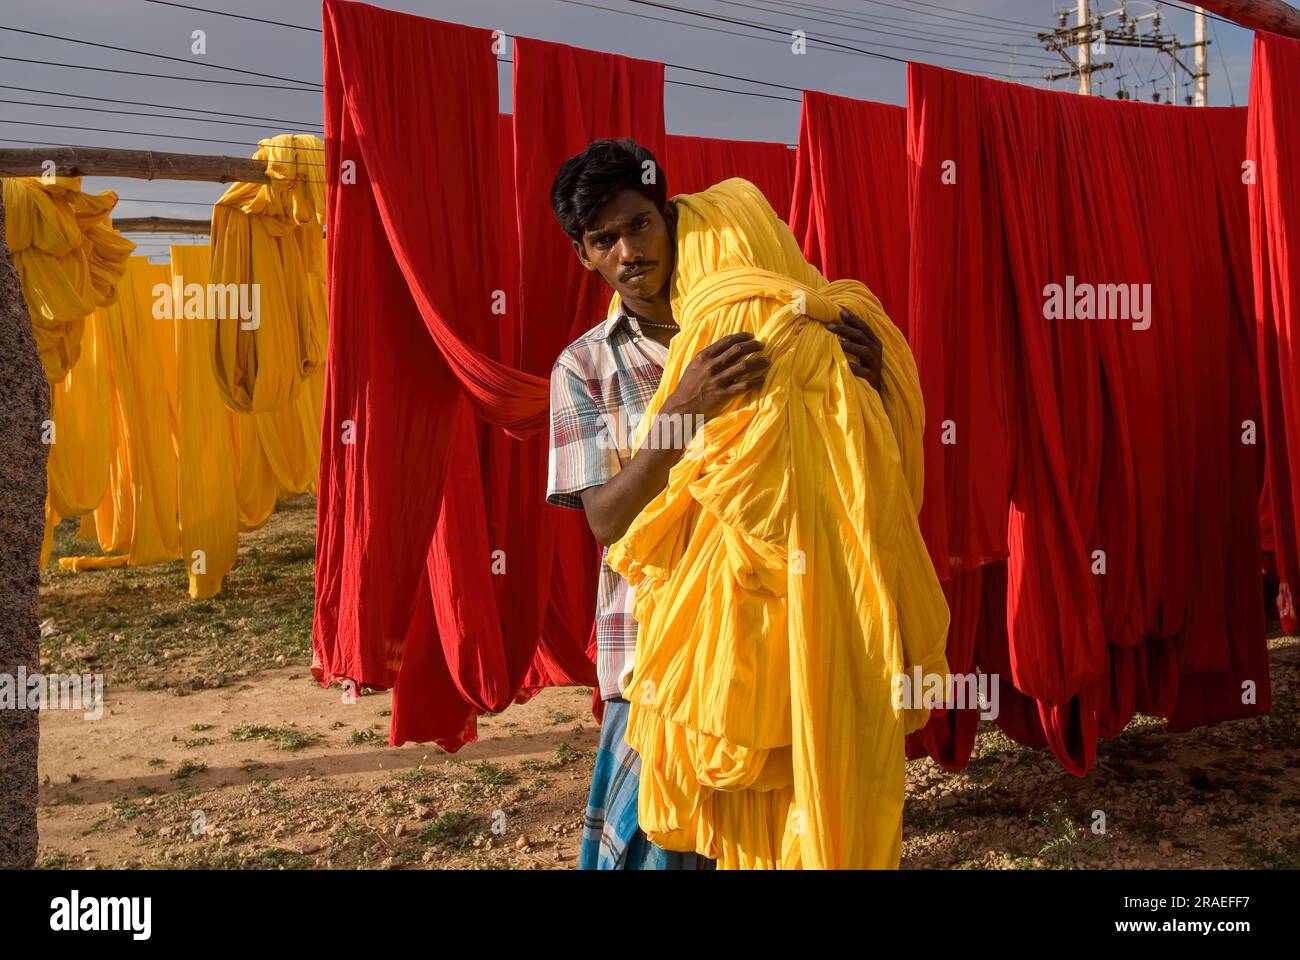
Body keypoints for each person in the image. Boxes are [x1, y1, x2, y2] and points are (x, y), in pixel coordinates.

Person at [545, 138, 883, 869]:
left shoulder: (768, 326)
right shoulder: (585, 366)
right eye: (604, 239)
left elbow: (843, 463)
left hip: (788, 634)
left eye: (639, 225)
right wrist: (683, 410)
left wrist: (870, 382)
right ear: (585, 257)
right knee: (663, 850)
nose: (628, 251)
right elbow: (607, 520)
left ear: (669, 219)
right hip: (657, 660)